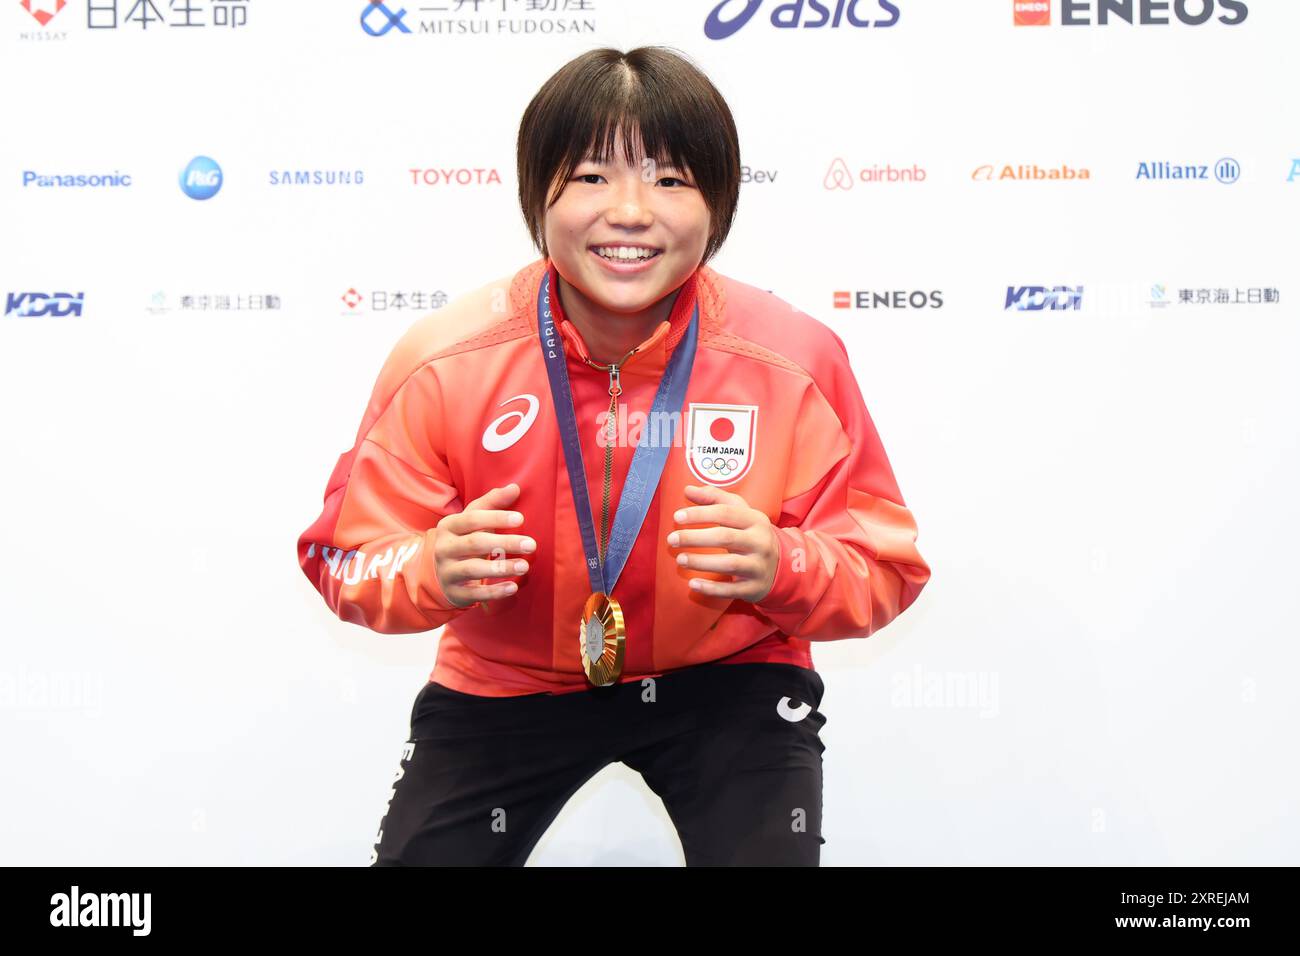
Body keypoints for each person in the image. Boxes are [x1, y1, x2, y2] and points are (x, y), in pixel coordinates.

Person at [296, 45, 931, 866]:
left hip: (728, 676)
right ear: (537, 192)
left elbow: (886, 570)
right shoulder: (446, 358)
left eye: (671, 179)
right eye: (592, 176)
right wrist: (425, 569)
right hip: (508, 681)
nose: (631, 211)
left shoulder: (795, 359)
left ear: (720, 201)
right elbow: (340, 561)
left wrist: (785, 564)